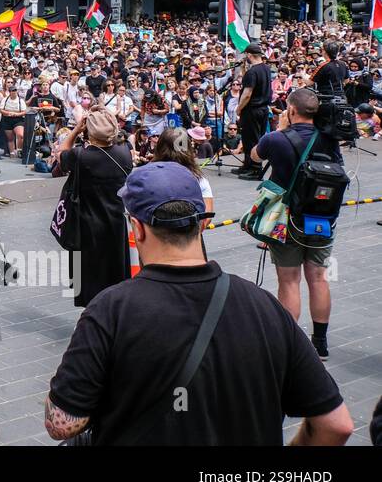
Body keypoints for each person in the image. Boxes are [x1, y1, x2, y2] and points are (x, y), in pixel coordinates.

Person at [44, 161, 352, 446]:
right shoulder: (265, 306)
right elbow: (336, 425)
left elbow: (62, 424)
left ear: (136, 228)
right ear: (201, 224)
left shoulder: (110, 310)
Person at [251, 88, 336, 357]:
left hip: (287, 220)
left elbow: (254, 155)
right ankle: (320, 343)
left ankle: (290, 345)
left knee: (289, 281)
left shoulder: (276, 139)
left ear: (291, 110)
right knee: (319, 278)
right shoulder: (329, 137)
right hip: (322, 218)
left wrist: (280, 128)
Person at [51, 107, 132, 307]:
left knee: (89, 276)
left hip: (87, 225)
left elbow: (60, 153)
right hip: (116, 222)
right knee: (115, 273)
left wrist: (77, 129)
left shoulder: (81, 156)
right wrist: (105, 115)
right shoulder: (124, 152)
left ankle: (92, 314)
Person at [235, 44, 273, 180]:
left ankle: (255, 169)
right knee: (249, 139)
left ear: (250, 55)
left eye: (247, 55)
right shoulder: (265, 69)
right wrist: (243, 70)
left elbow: (247, 93)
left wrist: (239, 108)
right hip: (262, 109)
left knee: (252, 140)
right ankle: (247, 164)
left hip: (252, 110)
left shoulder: (253, 72)